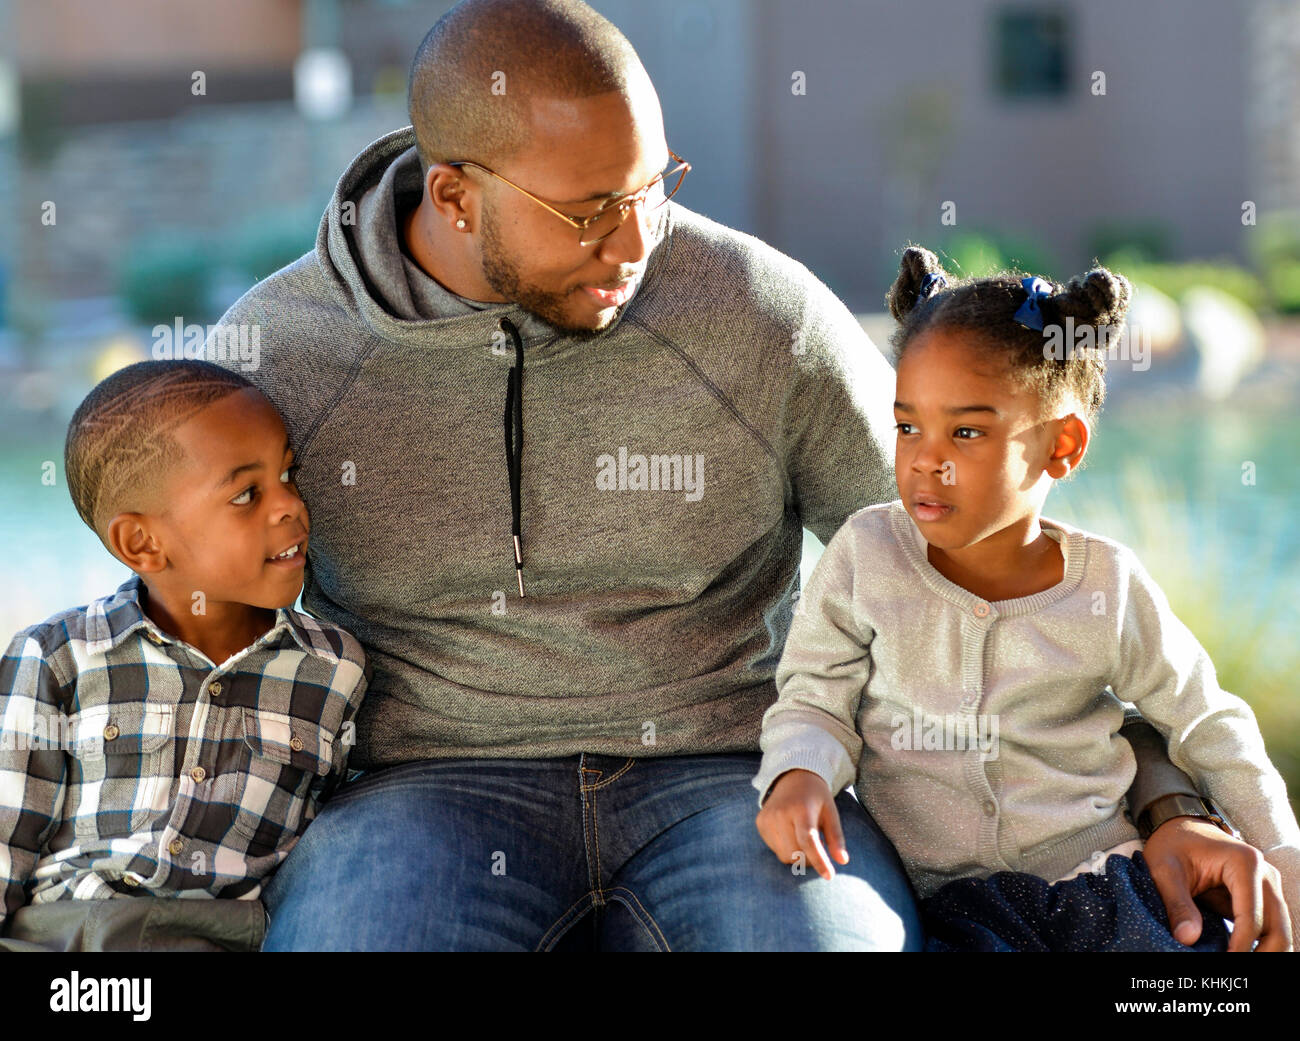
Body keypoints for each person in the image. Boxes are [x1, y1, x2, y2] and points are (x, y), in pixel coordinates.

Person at [209, 0, 1274, 950]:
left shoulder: (759, 313)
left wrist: (1168, 804)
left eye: (651, 186)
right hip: (420, 791)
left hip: (743, 772)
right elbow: (183, 630)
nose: (635, 241)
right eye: (588, 210)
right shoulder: (282, 350)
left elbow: (994, 576)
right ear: (452, 194)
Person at [753, 247, 1299, 952]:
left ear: (1061, 446)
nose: (925, 457)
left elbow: (1206, 720)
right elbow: (814, 697)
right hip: (944, 902)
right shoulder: (866, 555)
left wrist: (1284, 861)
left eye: (968, 431)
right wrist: (798, 772)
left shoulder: (1106, 584)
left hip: (1105, 882)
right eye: (908, 424)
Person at [0, 361, 368, 952]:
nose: (290, 506)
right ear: (142, 543)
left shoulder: (332, 667)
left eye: (288, 475)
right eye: (247, 494)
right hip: (65, 938)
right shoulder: (57, 658)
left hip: (227, 939)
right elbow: (5, 838)